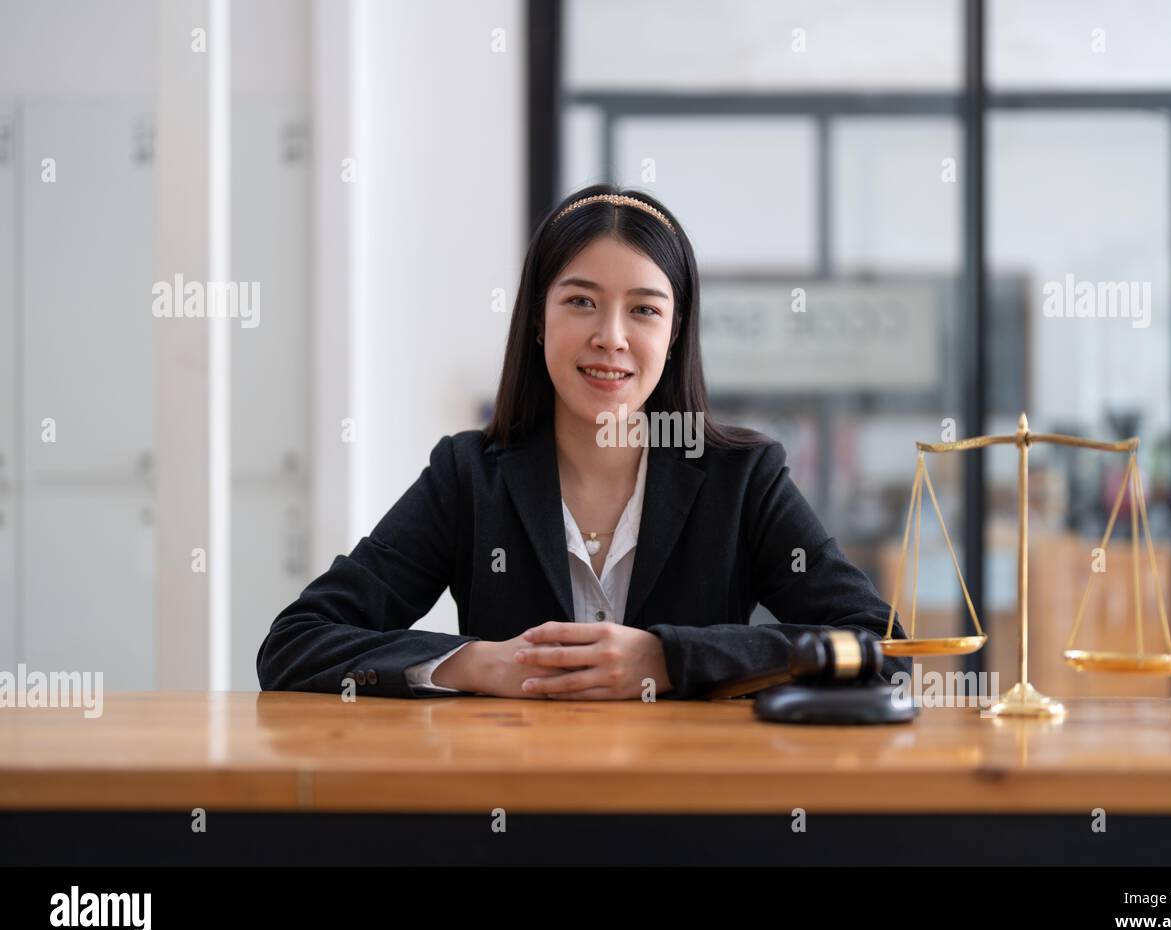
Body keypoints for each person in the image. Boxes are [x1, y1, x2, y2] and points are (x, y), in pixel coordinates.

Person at [257, 184, 907, 700]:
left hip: (696, 822)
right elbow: (296, 643)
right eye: (581, 302)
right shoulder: (469, 477)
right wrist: (477, 664)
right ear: (538, 321)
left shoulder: (743, 477)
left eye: (644, 309)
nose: (612, 337)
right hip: (516, 818)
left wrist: (670, 659)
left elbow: (883, 650)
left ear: (675, 333)